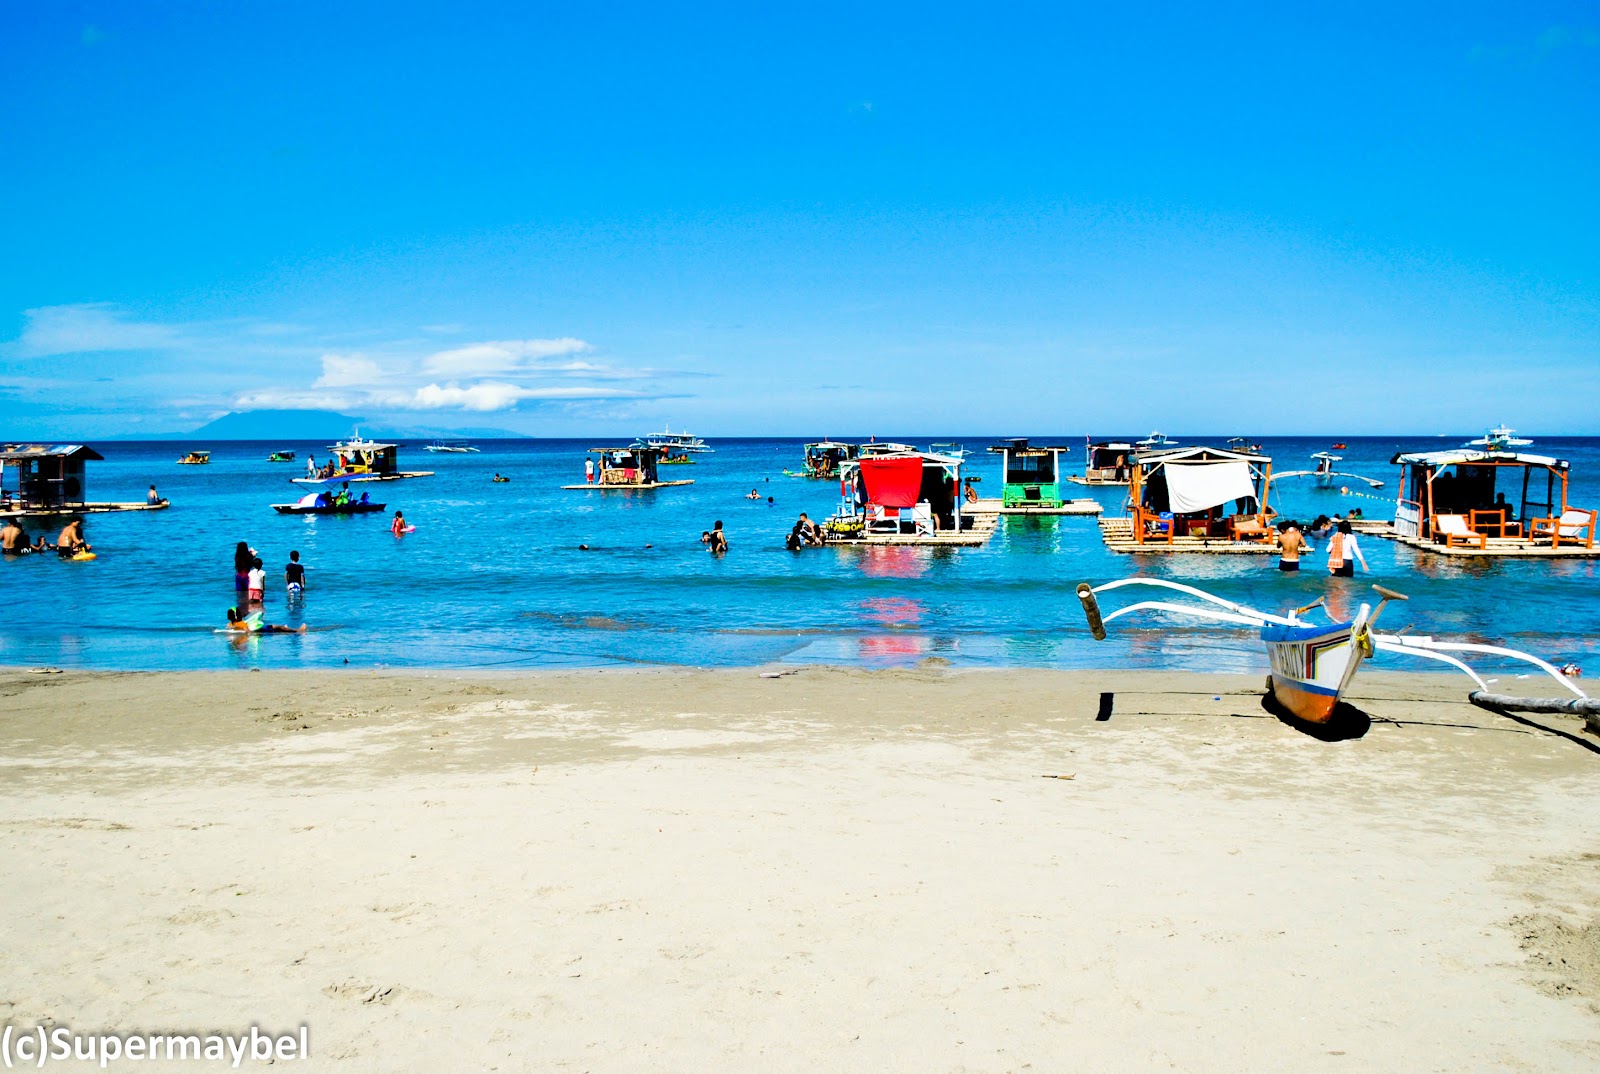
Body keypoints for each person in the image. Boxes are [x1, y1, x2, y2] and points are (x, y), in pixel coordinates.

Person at [225, 607, 306, 635]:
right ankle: (298, 630)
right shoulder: (241, 623)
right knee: (279, 627)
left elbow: (229, 628)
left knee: (279, 629)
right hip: (263, 629)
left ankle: (288, 629)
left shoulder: (230, 624)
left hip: (261, 630)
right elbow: (248, 631)